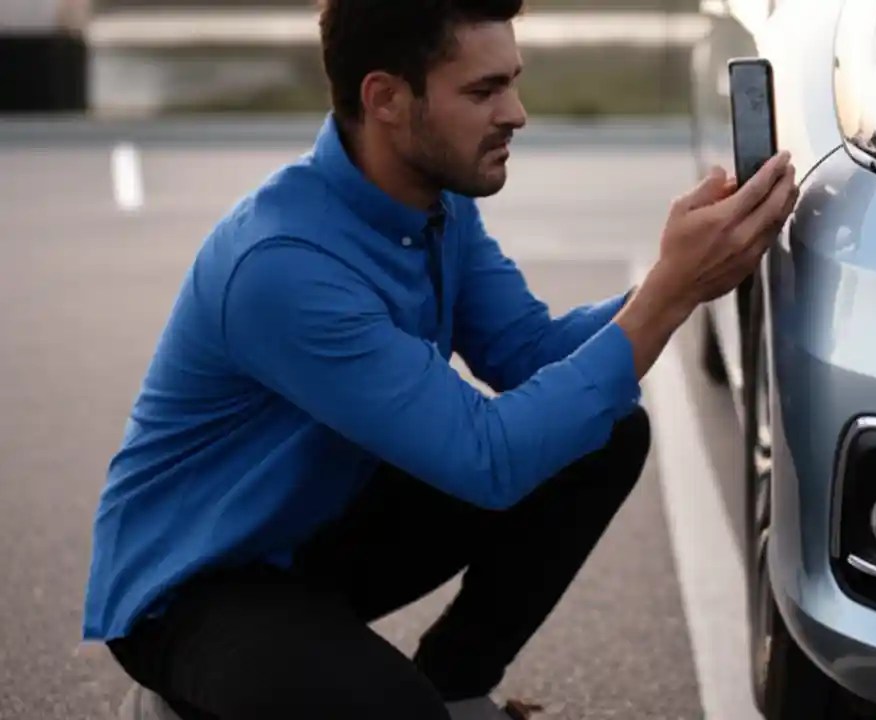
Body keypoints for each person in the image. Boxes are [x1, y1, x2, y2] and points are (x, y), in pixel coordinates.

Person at [81, 0, 798, 717]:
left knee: (603, 432)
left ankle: (454, 683)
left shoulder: (434, 205)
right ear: (387, 98)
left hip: (314, 531)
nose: (516, 112)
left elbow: (531, 352)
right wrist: (672, 293)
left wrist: (686, 273)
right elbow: (488, 460)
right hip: (197, 583)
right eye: (483, 91)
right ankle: (180, 697)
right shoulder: (283, 265)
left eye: (512, 82)